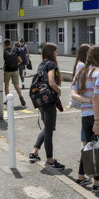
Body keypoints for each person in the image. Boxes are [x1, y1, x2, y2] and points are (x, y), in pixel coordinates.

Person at [71, 45, 99, 193]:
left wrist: (87, 101)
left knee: (88, 145)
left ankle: (81, 176)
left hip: (85, 115)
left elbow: (73, 95)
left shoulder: (81, 72)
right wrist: (97, 121)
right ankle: (96, 183)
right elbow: (97, 96)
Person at [28, 42, 65, 170]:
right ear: (51, 53)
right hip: (49, 100)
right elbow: (51, 81)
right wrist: (58, 91)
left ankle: (34, 152)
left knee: (47, 127)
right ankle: (50, 160)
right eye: (56, 51)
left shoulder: (41, 64)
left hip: (41, 100)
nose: (57, 53)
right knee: (49, 131)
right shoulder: (51, 64)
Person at [2, 39, 26, 107]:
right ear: (10, 44)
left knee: (6, 86)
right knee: (16, 85)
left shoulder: (4, 52)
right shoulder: (15, 50)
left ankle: (7, 100)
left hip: (7, 71)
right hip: (15, 70)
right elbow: (20, 61)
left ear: (4, 45)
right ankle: (21, 96)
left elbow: (3, 61)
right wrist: (16, 65)